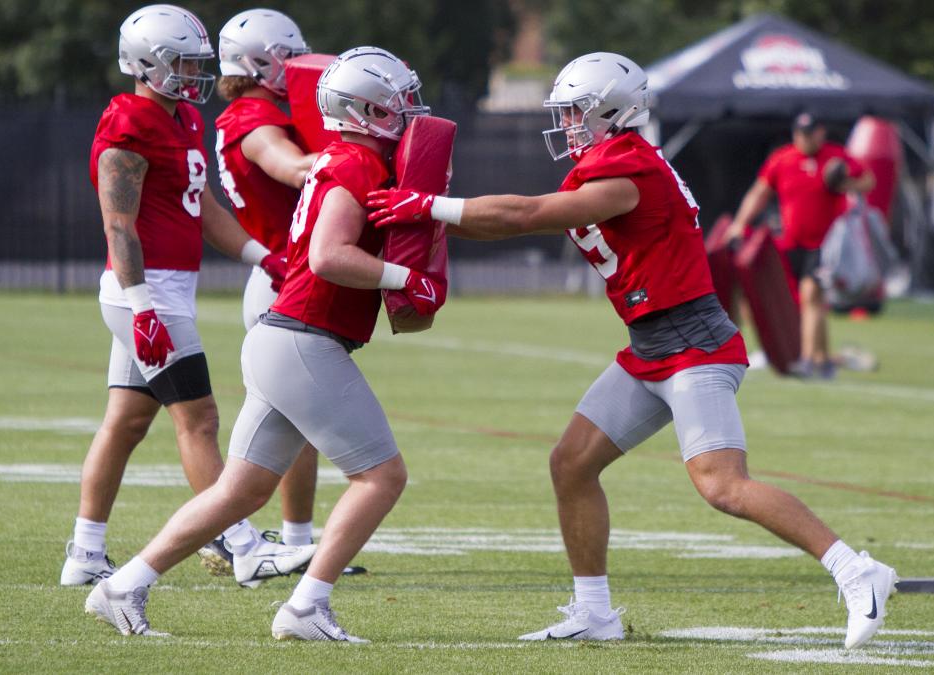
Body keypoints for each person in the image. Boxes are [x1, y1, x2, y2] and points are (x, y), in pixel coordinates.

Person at [367, 52, 897, 650]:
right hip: (650, 345)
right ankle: (595, 613)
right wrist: (410, 213)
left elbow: (526, 214)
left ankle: (857, 571)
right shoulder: (606, 165)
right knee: (571, 463)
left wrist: (428, 208)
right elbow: (505, 220)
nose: (566, 124)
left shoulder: (629, 171)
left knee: (722, 485)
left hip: (693, 344)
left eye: (576, 112)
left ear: (613, 112)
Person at [85, 46, 442, 641]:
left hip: (284, 339)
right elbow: (329, 256)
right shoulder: (355, 164)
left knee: (241, 490)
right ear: (365, 110)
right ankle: (307, 609)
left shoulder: (343, 160)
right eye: (397, 102)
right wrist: (404, 276)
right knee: (382, 477)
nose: (408, 111)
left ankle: (122, 586)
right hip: (304, 340)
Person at [61, 4, 316, 591]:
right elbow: (119, 225)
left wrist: (262, 257)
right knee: (199, 419)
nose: (195, 74)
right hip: (147, 294)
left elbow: (203, 210)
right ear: (145, 63)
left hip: (162, 291)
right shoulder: (129, 121)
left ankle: (85, 552)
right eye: (181, 63)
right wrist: (143, 306)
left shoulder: (181, 119)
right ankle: (243, 546)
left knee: (126, 422)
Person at [197, 8, 365, 578]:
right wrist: (369, 156)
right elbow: (293, 169)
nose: (297, 66)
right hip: (283, 288)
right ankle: (233, 541)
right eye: (288, 57)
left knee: (294, 429)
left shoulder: (259, 111)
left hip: (281, 279)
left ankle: (287, 542)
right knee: (283, 440)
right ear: (258, 63)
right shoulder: (253, 116)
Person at [725, 112, 875, 378]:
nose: (805, 139)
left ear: (821, 132)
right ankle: (820, 359)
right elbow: (760, 192)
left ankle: (806, 359)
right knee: (778, 298)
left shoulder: (835, 157)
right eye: (801, 133)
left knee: (811, 295)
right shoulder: (782, 158)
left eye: (810, 133)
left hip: (826, 244)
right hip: (791, 242)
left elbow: (868, 181)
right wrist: (739, 223)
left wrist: (844, 184)